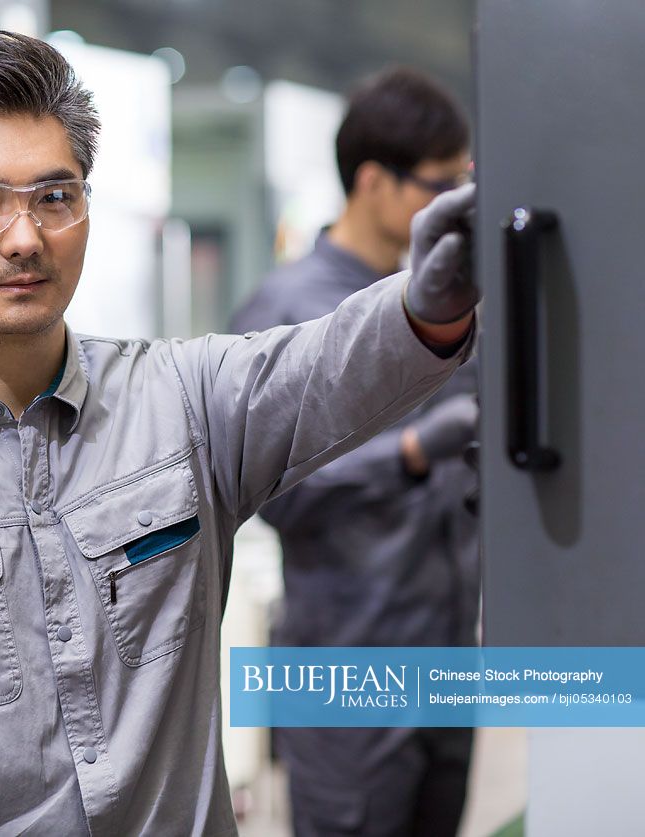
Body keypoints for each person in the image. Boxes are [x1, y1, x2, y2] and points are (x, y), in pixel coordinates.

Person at [0, 32, 477, 836]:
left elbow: (324, 365)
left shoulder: (181, 403)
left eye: (54, 197)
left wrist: (426, 307)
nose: (25, 237)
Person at [231, 67, 478, 837]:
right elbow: (269, 489)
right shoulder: (288, 311)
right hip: (344, 668)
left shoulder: (448, 294)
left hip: (444, 652)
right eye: (437, 186)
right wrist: (408, 451)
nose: (451, 206)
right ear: (373, 181)